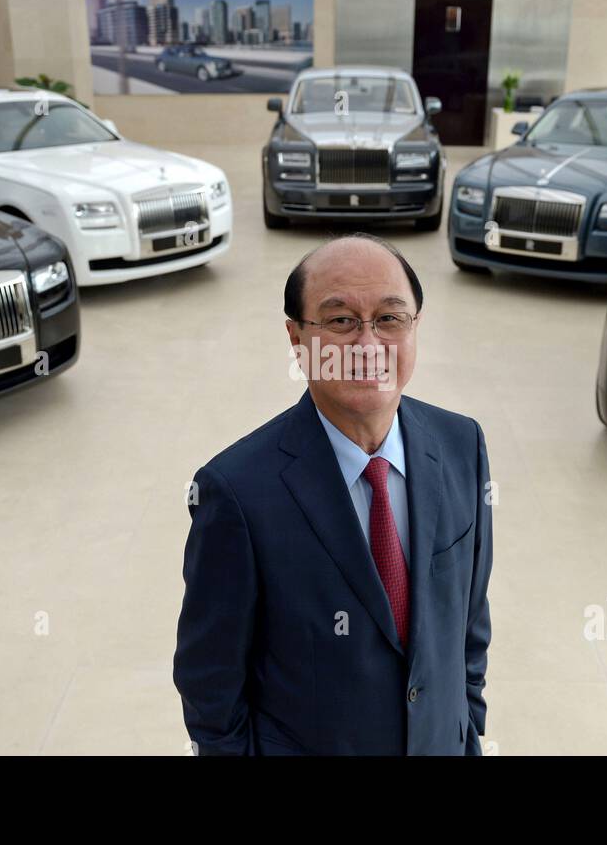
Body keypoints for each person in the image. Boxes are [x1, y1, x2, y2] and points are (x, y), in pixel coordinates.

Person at [173, 233, 493, 755]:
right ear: (296, 338)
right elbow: (211, 686)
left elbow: (469, 622)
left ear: (416, 327)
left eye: (390, 319)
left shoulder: (463, 445)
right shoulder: (235, 491)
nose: (368, 346)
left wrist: (467, 729)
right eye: (340, 321)